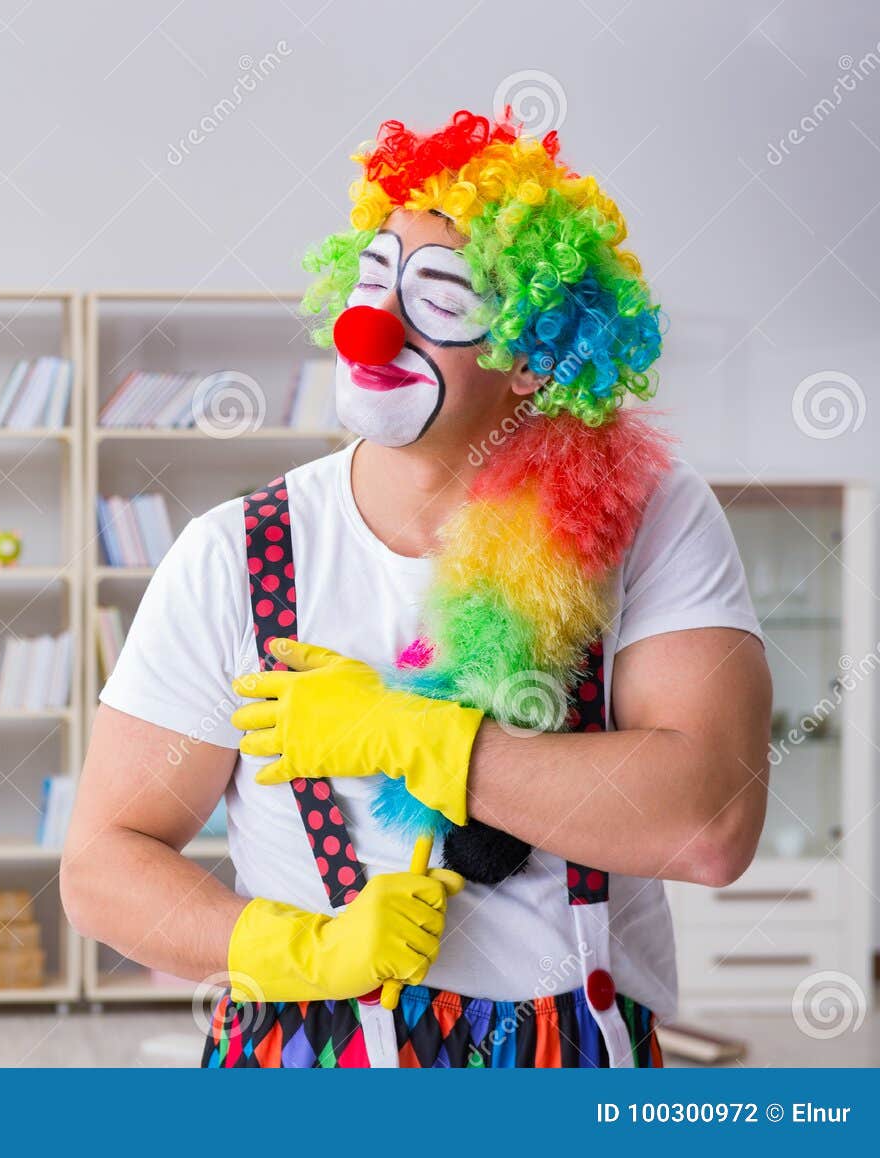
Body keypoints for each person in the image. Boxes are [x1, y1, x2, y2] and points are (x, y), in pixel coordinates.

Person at [60, 109, 770, 1068]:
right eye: (372, 279)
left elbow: (711, 827)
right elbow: (102, 870)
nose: (369, 325)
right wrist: (300, 948)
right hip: (309, 1050)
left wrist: (414, 734)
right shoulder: (237, 553)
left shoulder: (645, 516)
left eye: (438, 297)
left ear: (532, 358)